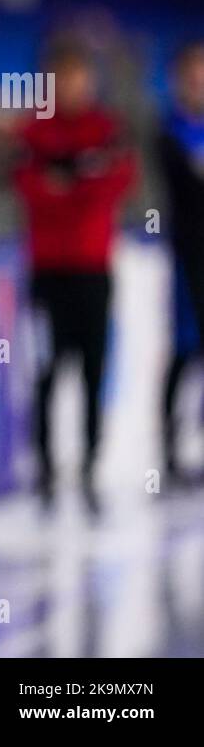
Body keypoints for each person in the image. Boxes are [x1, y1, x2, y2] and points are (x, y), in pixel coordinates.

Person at [12, 42, 137, 517]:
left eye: (77, 77)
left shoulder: (108, 130)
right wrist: (81, 182)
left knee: (92, 370)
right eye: (61, 78)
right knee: (45, 372)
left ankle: (89, 466)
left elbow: (114, 187)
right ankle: (45, 468)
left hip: (92, 272)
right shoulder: (34, 132)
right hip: (47, 275)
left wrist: (71, 184)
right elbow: (33, 192)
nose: (70, 87)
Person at [158, 41, 204, 487]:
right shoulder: (170, 129)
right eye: (192, 72)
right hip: (187, 255)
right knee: (183, 349)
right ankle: (169, 450)